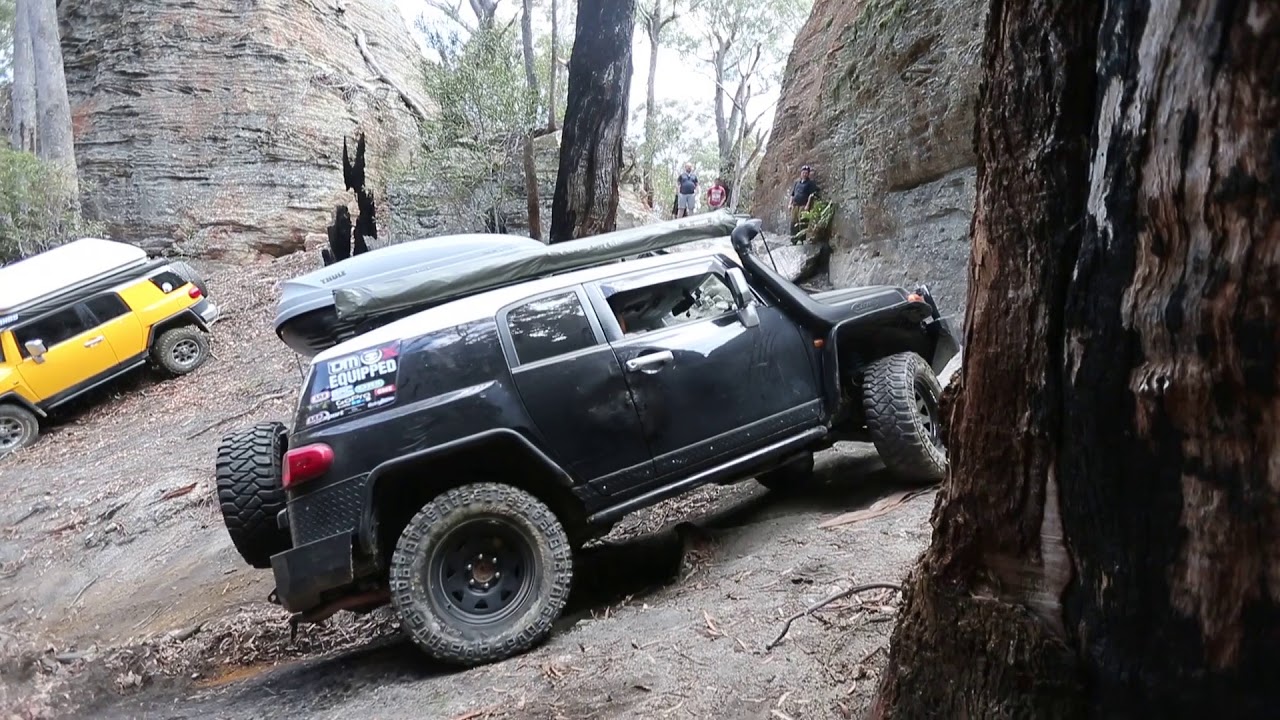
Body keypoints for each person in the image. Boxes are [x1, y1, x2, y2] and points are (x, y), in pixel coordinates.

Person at [789, 164, 820, 234]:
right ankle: (793, 237)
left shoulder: (810, 183)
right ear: (801, 173)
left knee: (802, 221)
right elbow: (792, 194)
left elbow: (811, 195)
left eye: (806, 173)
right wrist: (790, 204)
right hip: (795, 205)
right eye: (803, 172)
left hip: (803, 205)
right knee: (793, 221)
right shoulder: (797, 183)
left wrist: (807, 205)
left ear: (808, 174)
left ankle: (801, 238)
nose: (804, 174)